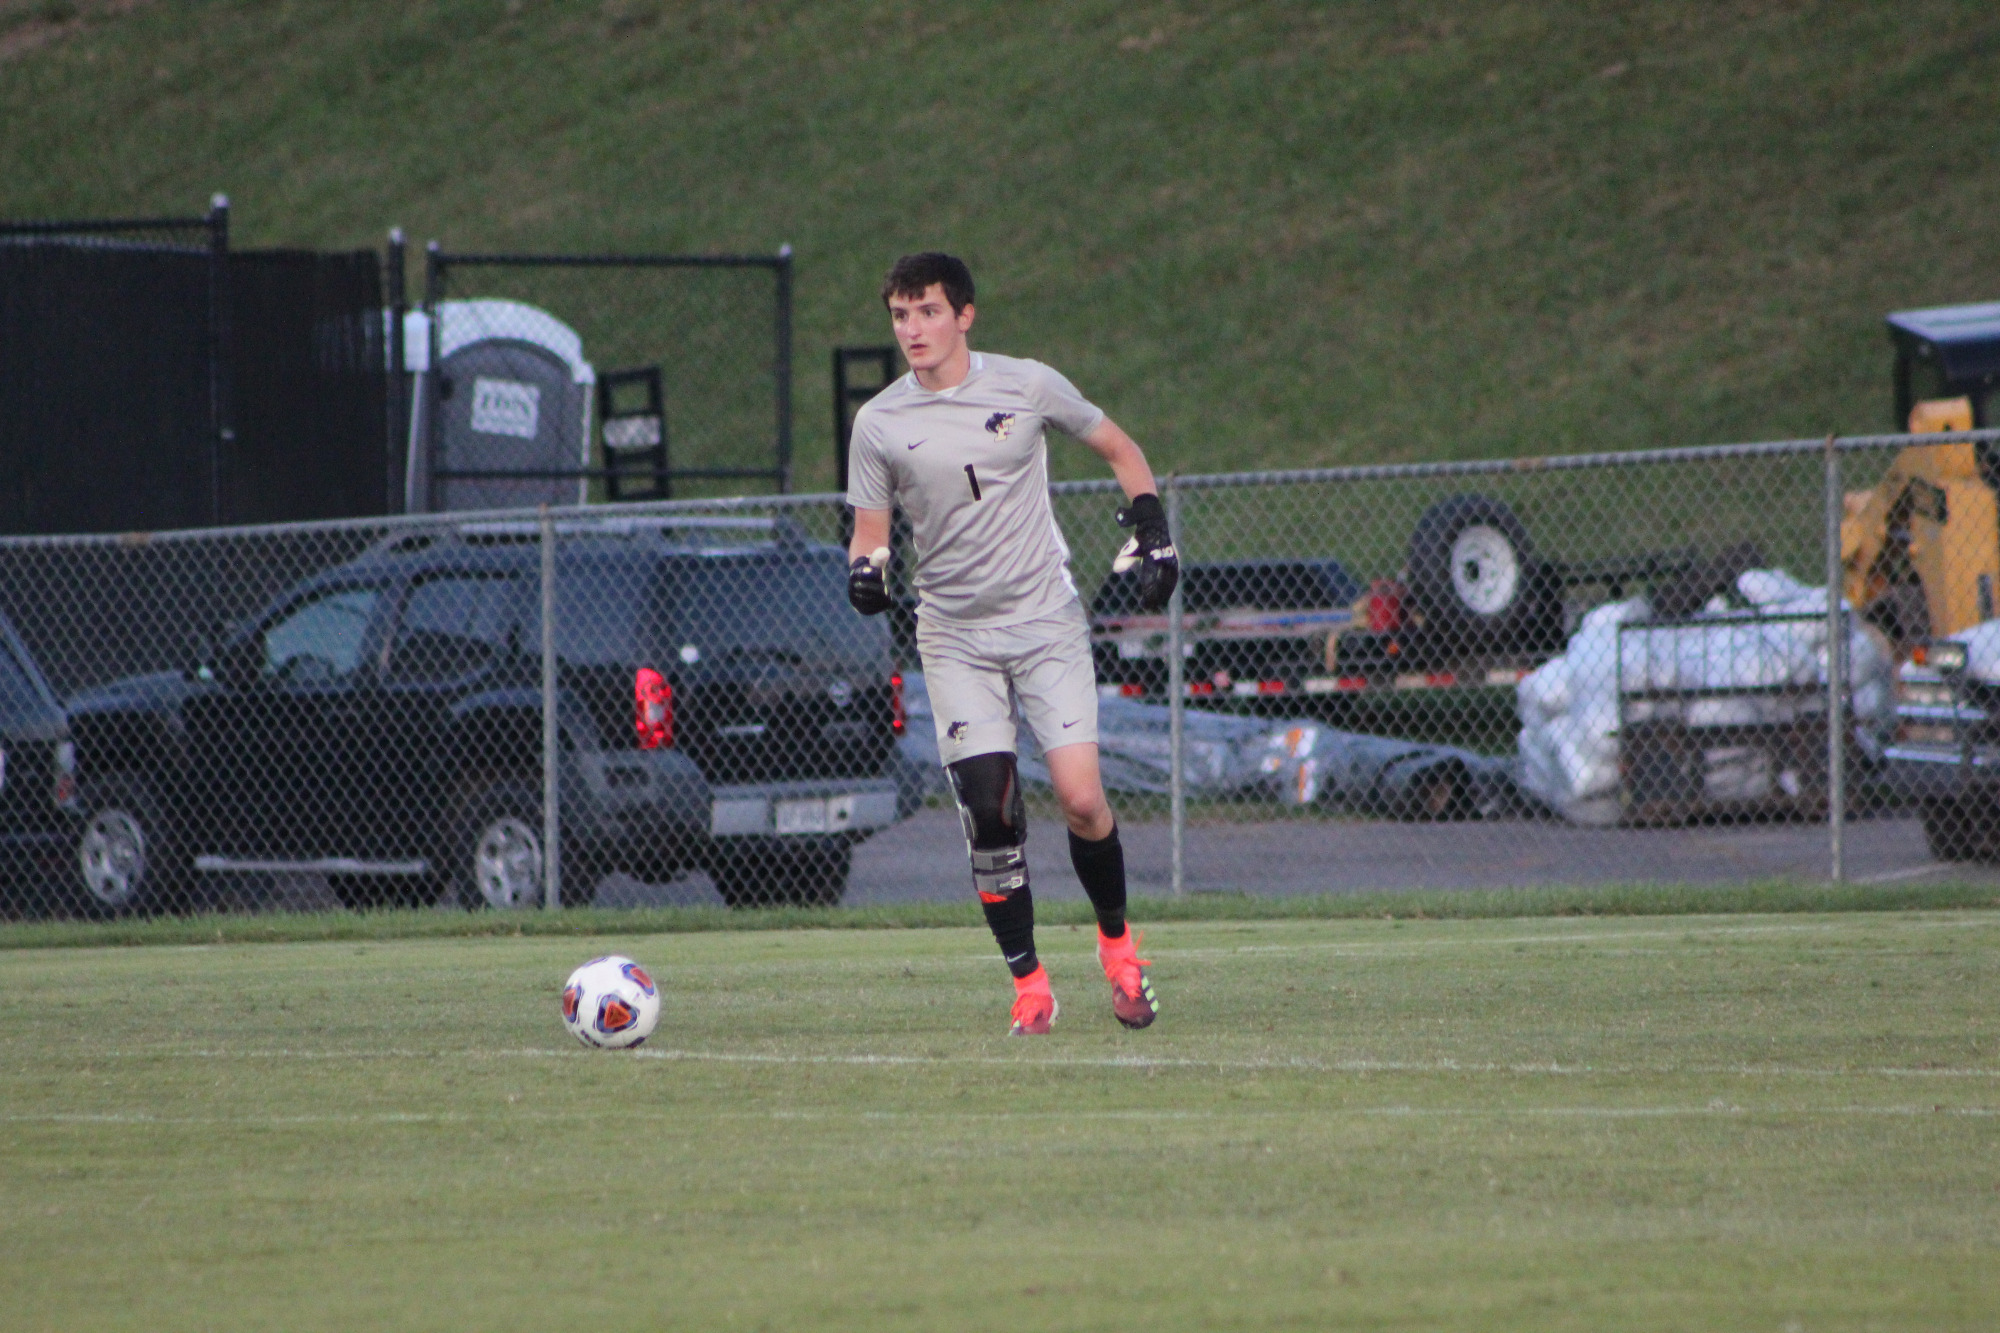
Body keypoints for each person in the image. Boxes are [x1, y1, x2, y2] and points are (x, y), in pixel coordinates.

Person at [844, 252, 1179, 1035]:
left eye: (928, 311)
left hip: (1043, 621)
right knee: (993, 812)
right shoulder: (879, 421)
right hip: (954, 634)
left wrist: (1153, 527)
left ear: (965, 315)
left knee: (1082, 798)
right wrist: (865, 573)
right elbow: (870, 534)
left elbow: (1120, 448)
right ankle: (1030, 984)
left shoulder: (1026, 384)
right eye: (900, 314)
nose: (912, 329)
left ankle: (1119, 950)